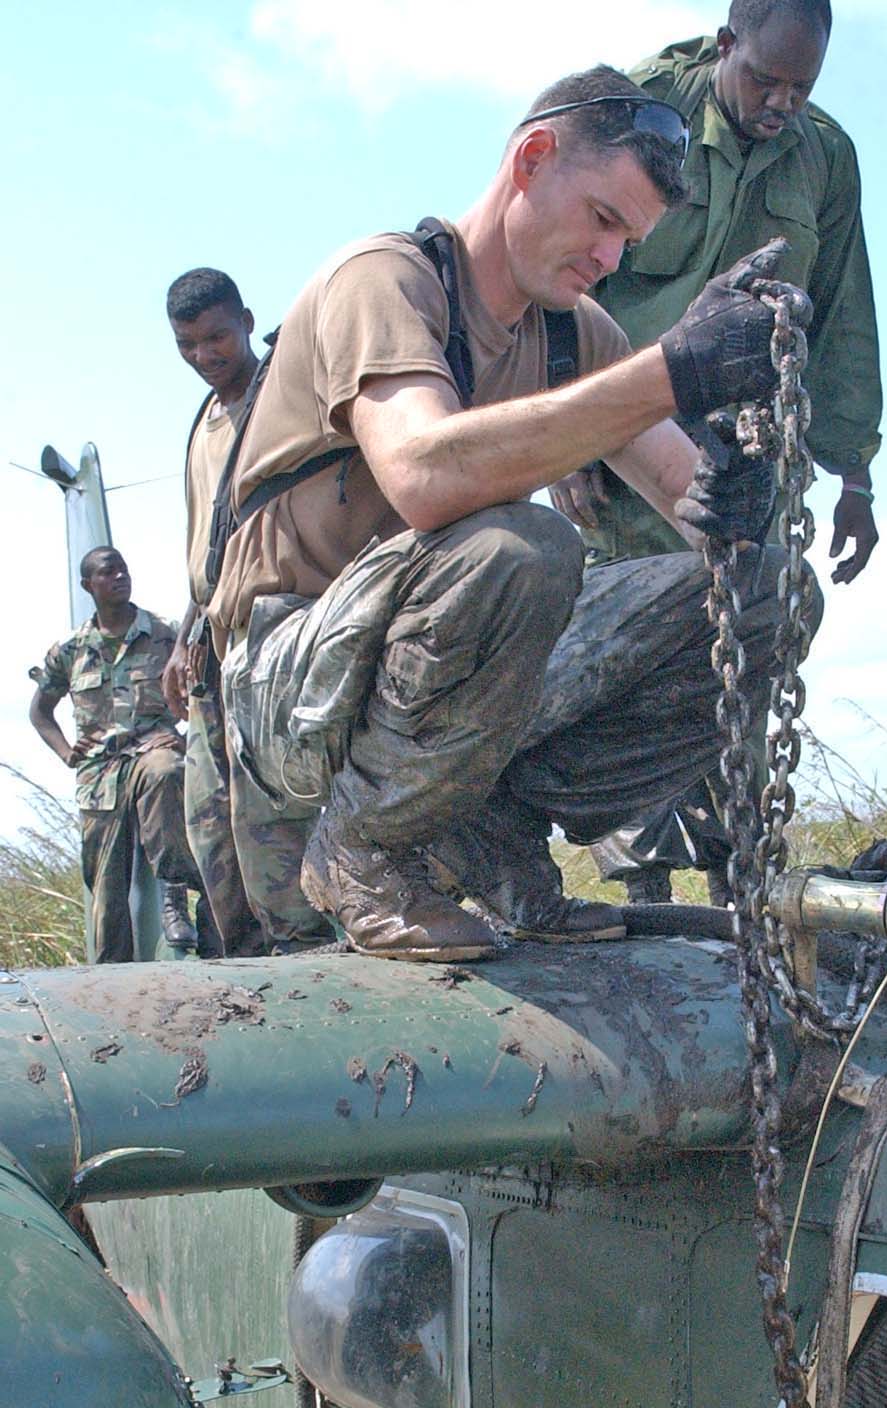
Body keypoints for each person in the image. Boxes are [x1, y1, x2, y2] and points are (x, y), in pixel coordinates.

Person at [207, 64, 823, 962]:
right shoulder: (384, 280)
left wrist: (736, 495)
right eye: (603, 221)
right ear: (531, 159)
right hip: (289, 689)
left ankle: (493, 829)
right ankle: (365, 851)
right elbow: (422, 473)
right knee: (523, 547)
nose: (610, 259)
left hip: (420, 683)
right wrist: (670, 370)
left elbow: (684, 496)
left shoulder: (573, 329)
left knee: (768, 590)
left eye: (629, 241)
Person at [552, 0, 880, 903]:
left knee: (746, 645)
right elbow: (555, 272)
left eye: (800, 87)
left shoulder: (825, 155)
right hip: (622, 443)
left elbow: (846, 305)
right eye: (764, 79)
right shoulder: (636, 111)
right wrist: (566, 439)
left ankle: (747, 893)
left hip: (749, 456)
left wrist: (855, 473)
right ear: (725, 43)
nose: (779, 102)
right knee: (633, 659)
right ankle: (647, 905)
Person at [162, 267, 267, 957]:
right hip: (210, 646)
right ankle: (244, 977)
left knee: (273, 827)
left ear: (248, 322)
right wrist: (182, 635)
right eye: (188, 344)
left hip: (272, 638)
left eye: (218, 337)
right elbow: (206, 546)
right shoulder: (203, 420)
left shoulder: (282, 397)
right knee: (212, 828)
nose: (205, 356)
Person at [29, 548, 202, 962]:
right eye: (109, 572)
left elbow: (202, 694)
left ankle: (176, 896)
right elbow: (39, 712)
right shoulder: (70, 650)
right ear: (89, 585)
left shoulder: (165, 635)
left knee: (165, 771)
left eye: (123, 569)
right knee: (106, 893)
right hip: (100, 775)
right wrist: (68, 753)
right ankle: (112, 980)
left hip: (151, 748)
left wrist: (186, 737)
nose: (120, 576)